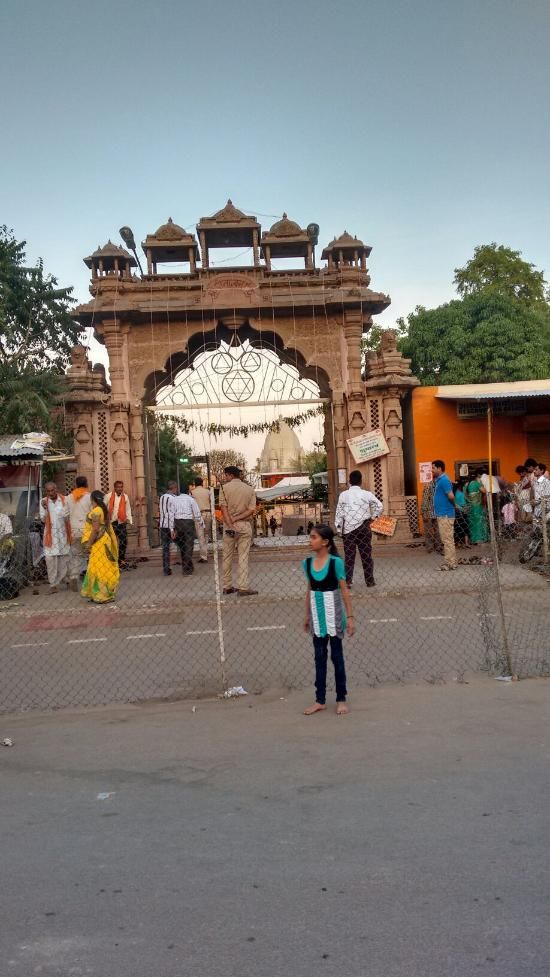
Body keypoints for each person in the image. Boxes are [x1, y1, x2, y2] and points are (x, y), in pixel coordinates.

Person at [302, 524, 354, 717]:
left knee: (337, 658)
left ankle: (341, 698)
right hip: (317, 619)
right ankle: (320, 700)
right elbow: (309, 590)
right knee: (319, 658)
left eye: (313, 537)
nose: (310, 540)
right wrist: (306, 615)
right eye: (310, 537)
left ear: (325, 542)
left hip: (334, 618)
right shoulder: (307, 564)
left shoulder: (335, 563)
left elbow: (344, 591)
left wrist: (350, 617)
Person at [334, 470, 383, 587]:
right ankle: (370, 581)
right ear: (361, 481)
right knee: (366, 555)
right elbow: (379, 506)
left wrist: (339, 529)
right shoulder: (367, 494)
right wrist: (373, 517)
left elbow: (339, 513)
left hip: (349, 530)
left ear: (349, 481)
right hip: (364, 527)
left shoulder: (343, 495)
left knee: (349, 556)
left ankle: (348, 581)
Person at [219, 465, 258, 596]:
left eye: (226, 475)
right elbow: (251, 510)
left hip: (229, 526)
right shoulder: (249, 489)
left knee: (227, 556)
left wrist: (230, 523)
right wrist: (237, 518)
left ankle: (227, 585)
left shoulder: (224, 488)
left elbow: (223, 509)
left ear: (229, 475)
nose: (225, 478)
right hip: (245, 525)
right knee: (243, 556)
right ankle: (243, 586)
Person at [81, 490, 120, 603]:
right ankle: (96, 593)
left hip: (99, 543)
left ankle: (102, 595)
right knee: (97, 567)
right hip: (103, 541)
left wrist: (88, 544)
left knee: (100, 568)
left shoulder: (96, 511)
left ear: (92, 500)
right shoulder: (103, 510)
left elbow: (95, 529)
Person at [40, 482, 71, 593]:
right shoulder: (43, 502)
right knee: (50, 560)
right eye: (48, 491)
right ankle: (53, 585)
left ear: (56, 489)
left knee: (65, 559)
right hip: (50, 536)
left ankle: (67, 581)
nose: (50, 493)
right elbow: (43, 519)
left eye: (52, 490)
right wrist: (45, 508)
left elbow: (67, 516)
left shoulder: (65, 500)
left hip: (63, 534)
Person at [168, 485, 203, 575]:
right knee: (189, 546)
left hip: (178, 523)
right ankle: (187, 569)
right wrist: (200, 522)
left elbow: (171, 514)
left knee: (182, 546)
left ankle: (187, 566)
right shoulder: (191, 499)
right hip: (188, 523)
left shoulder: (174, 500)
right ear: (188, 492)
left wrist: (172, 529)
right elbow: (197, 513)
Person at [66, 476, 91, 591]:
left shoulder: (68, 498)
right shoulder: (89, 497)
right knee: (90, 554)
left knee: (75, 554)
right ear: (86, 484)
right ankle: (90, 577)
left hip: (74, 530)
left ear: (75, 485)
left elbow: (65, 515)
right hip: (87, 530)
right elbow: (92, 513)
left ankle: (74, 576)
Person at [431, 460, 457, 570]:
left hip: (445, 514)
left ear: (439, 468)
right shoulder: (440, 481)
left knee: (447, 540)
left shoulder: (444, 480)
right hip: (443, 514)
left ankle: (450, 563)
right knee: (447, 540)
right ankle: (452, 562)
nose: (432, 470)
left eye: (433, 468)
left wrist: (454, 505)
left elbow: (450, 496)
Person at [104, 481, 133, 567]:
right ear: (114, 488)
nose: (120, 488)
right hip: (110, 522)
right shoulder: (108, 496)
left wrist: (129, 520)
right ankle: (110, 560)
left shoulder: (125, 497)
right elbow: (103, 507)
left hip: (121, 522)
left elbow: (128, 509)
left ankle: (121, 560)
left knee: (124, 541)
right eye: (118, 487)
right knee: (110, 542)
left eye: (121, 487)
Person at [158, 481, 178, 575]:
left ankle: (166, 568)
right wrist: (172, 529)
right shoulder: (173, 498)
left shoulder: (162, 497)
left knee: (165, 547)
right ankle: (185, 565)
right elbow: (172, 514)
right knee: (181, 544)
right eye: (176, 488)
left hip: (162, 525)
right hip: (171, 526)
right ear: (173, 488)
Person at [191, 478, 211, 563]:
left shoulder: (192, 492)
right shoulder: (208, 491)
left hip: (198, 515)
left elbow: (191, 505)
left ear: (195, 483)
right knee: (206, 534)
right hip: (208, 513)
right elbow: (211, 502)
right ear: (202, 483)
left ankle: (203, 556)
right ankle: (205, 553)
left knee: (200, 535)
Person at [466, 469, 488, 544]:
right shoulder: (476, 483)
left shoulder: (467, 484)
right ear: (477, 476)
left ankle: (473, 539)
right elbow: (484, 491)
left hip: (470, 506)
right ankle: (479, 538)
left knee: (472, 523)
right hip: (477, 506)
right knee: (479, 522)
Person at [420, 479, 441, 554]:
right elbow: (426, 500)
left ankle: (431, 547)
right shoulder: (437, 485)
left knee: (429, 531)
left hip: (430, 511)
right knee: (436, 530)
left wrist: (423, 511)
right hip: (434, 511)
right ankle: (437, 547)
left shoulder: (429, 486)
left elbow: (425, 500)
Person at [453, 479, 470, 548]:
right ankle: (466, 543)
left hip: (455, 513)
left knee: (457, 528)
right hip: (462, 512)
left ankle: (458, 543)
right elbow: (464, 504)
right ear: (460, 486)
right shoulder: (461, 494)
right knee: (465, 527)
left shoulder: (454, 493)